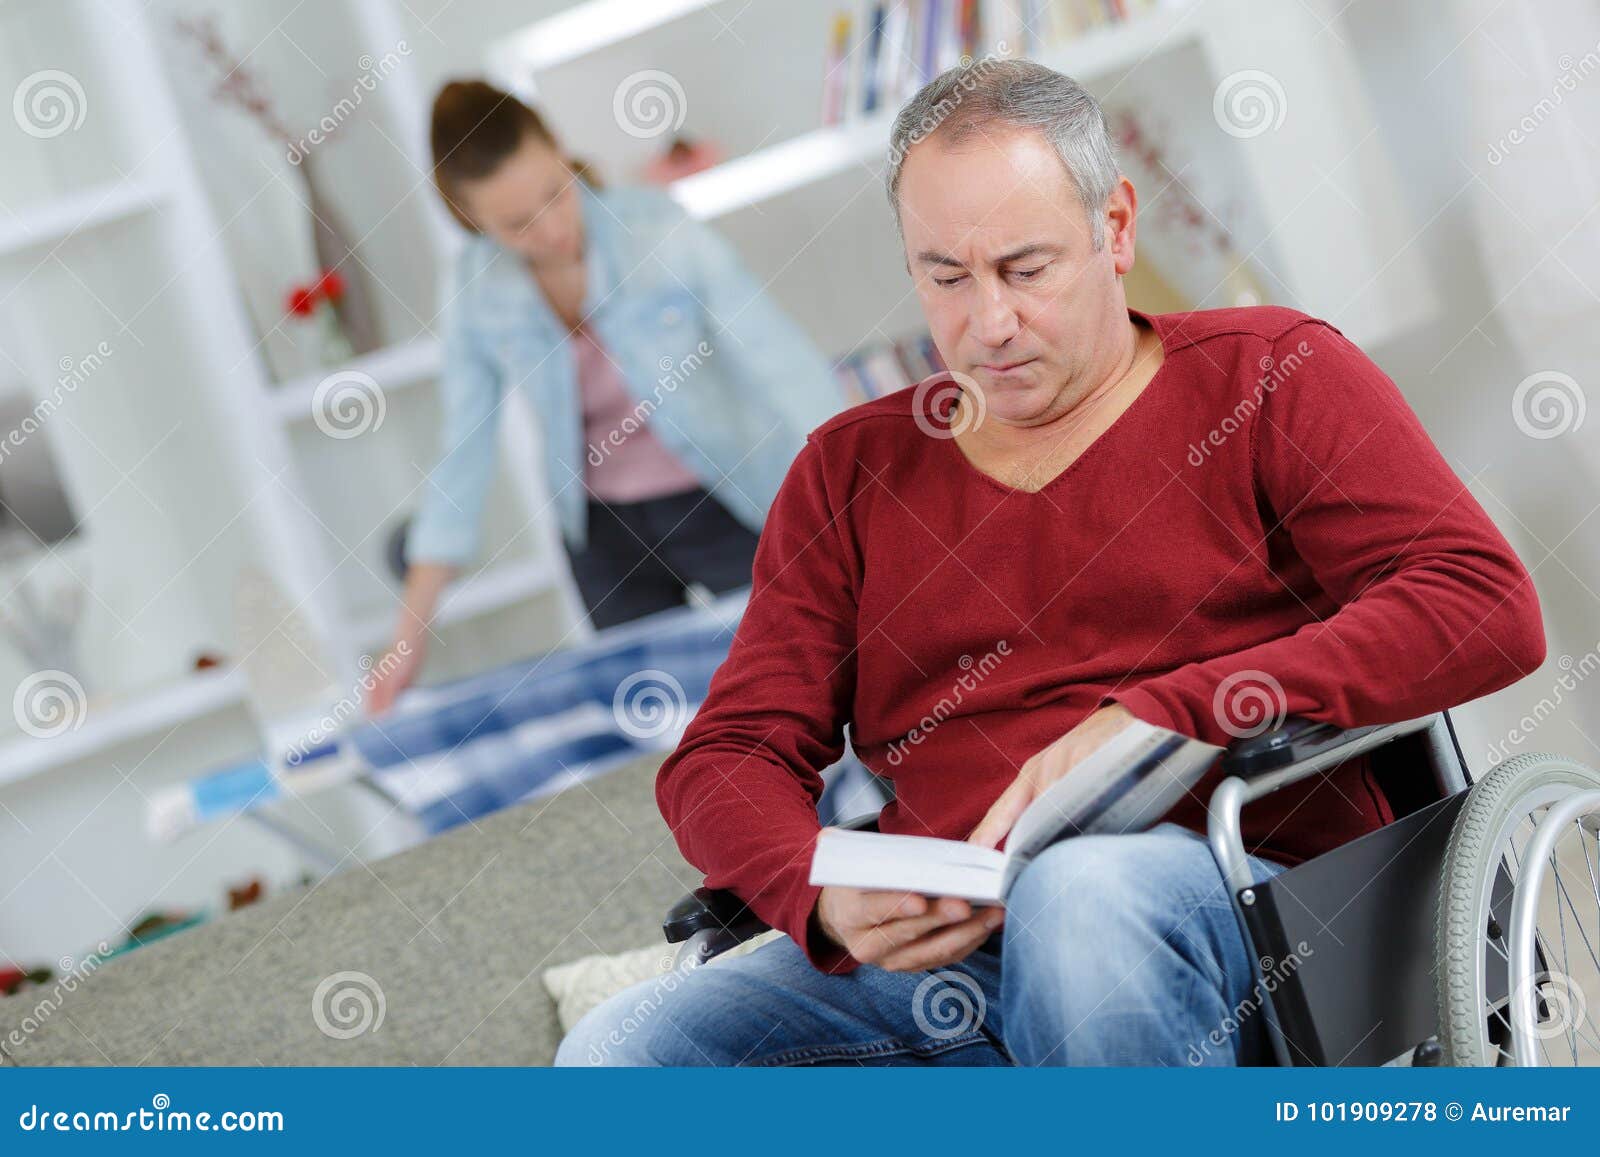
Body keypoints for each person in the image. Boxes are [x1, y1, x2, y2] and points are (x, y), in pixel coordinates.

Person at [555, 60, 1546, 1067]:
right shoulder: (851, 472)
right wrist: (818, 887)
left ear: (1114, 228)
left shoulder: (1270, 373)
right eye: (944, 276)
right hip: (952, 952)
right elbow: (728, 753)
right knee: (616, 1051)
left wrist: (1178, 706)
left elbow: (1481, 603)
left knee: (1079, 896)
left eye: (1024, 269)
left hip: (1239, 913)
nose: (986, 324)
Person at [366, 81, 841, 713]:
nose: (553, 228)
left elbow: (779, 358)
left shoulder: (656, 228)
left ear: (561, 153)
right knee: (668, 724)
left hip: (721, 496)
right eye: (517, 223)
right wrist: (408, 636)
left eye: (555, 194)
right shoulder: (476, 292)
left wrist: (863, 505)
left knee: (806, 686)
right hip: (603, 535)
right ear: (469, 218)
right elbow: (462, 454)